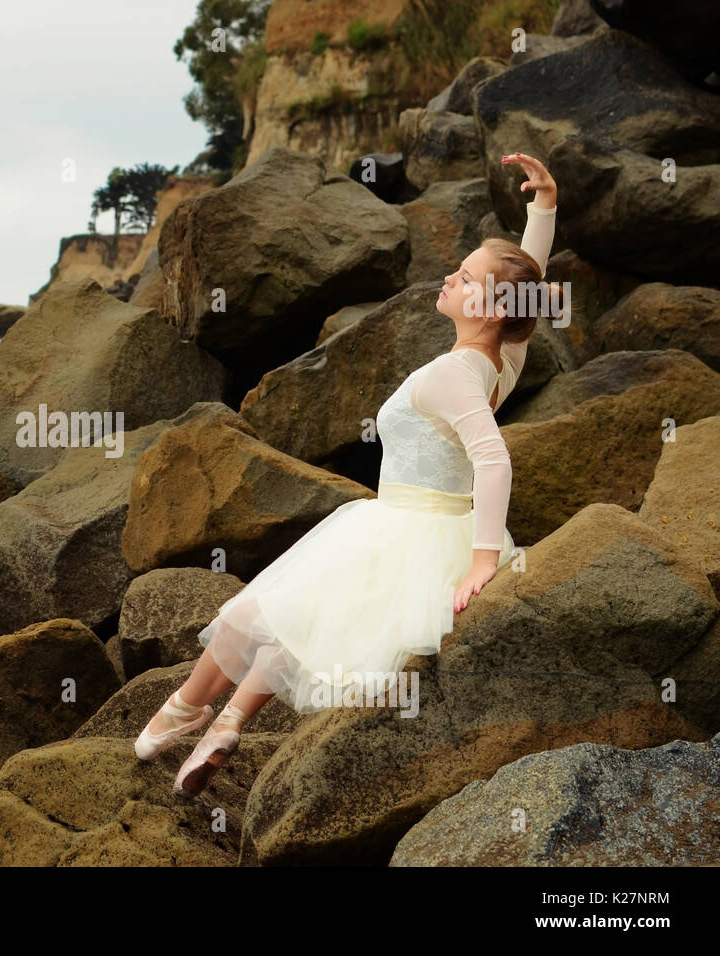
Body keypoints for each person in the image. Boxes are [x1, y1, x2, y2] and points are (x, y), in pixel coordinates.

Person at [135, 152, 560, 798]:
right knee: (312, 625)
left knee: (259, 612)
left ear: (494, 305)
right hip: (435, 531)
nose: (451, 275)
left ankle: (185, 706)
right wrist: (543, 209)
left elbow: (493, 457)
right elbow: (528, 281)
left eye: (466, 276)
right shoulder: (502, 359)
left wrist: (481, 563)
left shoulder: (451, 375)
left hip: (403, 528)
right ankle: (225, 724)